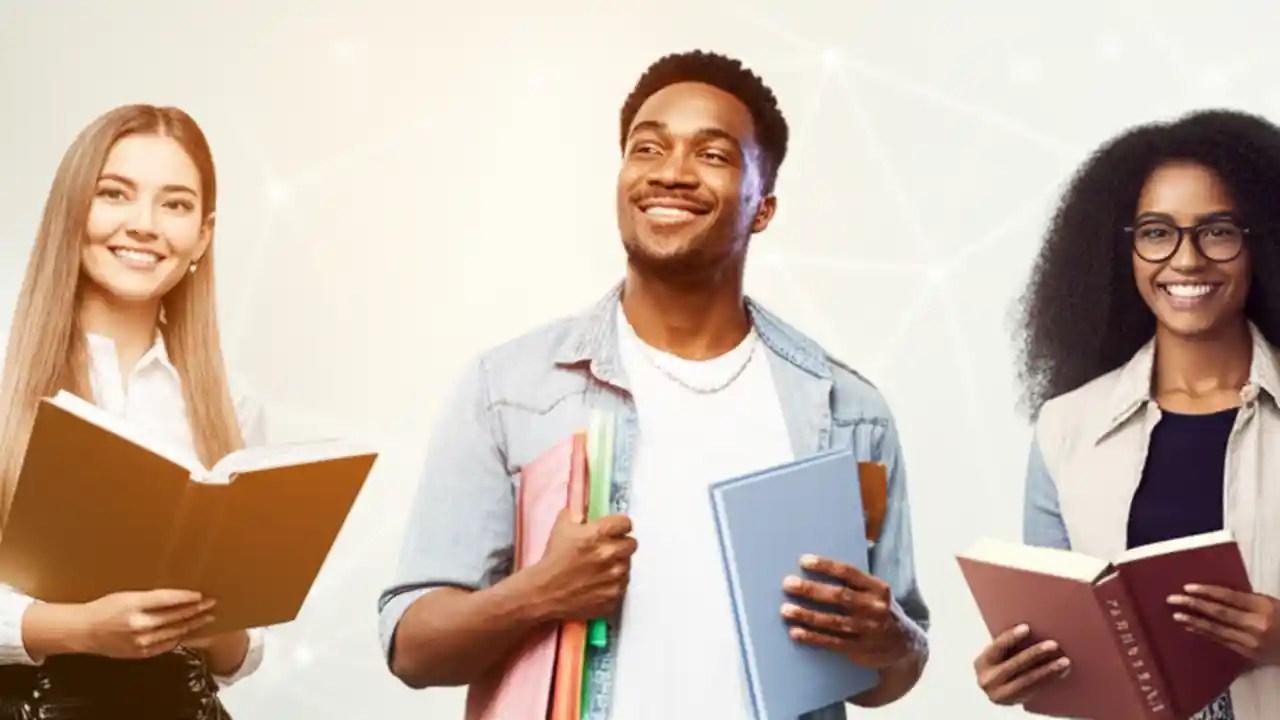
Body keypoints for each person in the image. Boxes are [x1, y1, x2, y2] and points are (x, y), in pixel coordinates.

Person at [379, 50, 929, 719]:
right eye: (647, 148)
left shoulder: (849, 412)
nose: (671, 172)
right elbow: (413, 648)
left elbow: (887, 673)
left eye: (713, 155)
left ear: (763, 207)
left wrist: (895, 642)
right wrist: (539, 593)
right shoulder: (509, 389)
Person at [973, 109, 1280, 720]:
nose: (1186, 260)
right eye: (1157, 232)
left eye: (1218, 231)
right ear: (1124, 252)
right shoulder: (1066, 429)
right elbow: (1069, 649)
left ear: (1262, 242)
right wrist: (1023, 673)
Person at [0, 104, 267, 718]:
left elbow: (242, 652)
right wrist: (81, 629)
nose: (144, 225)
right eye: (115, 194)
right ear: (73, 209)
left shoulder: (231, 401)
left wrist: (213, 624)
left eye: (175, 204)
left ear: (202, 235)